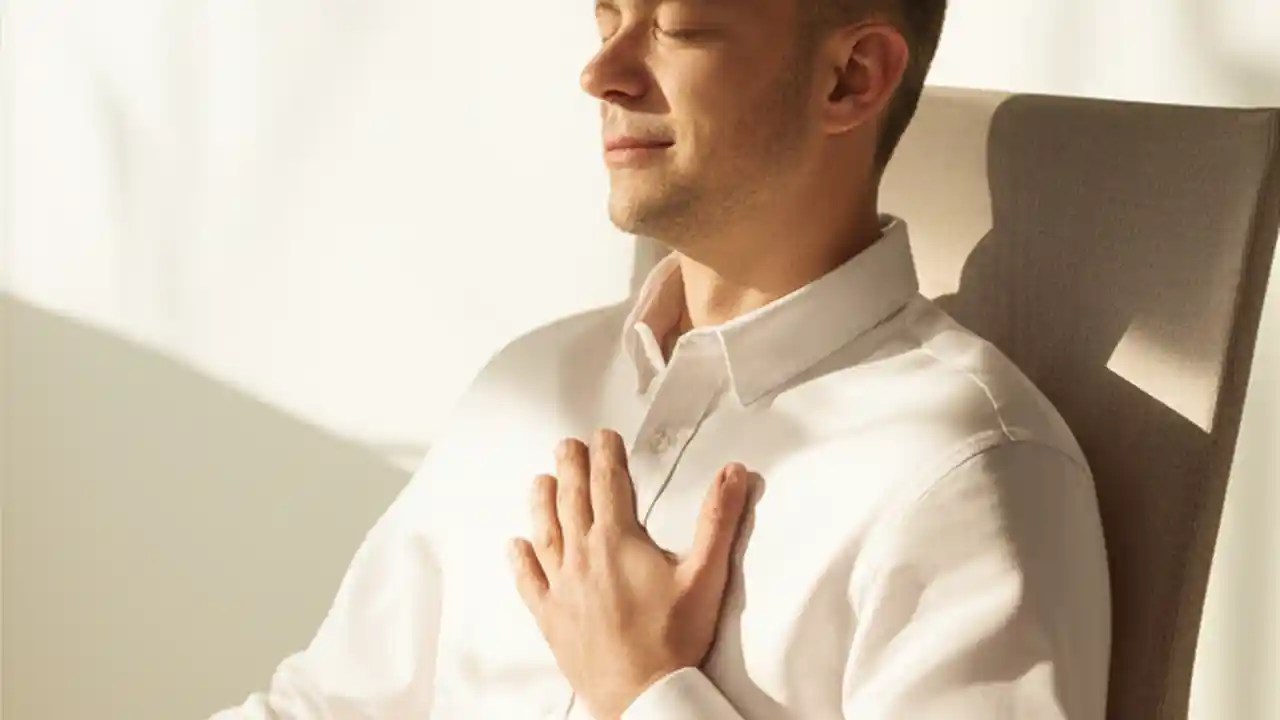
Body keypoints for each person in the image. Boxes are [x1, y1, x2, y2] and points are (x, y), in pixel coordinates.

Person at [214, 0, 1111, 717]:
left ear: (850, 76)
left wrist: (645, 691)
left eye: (674, 27)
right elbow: (329, 704)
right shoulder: (530, 388)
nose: (600, 73)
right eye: (606, 18)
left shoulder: (967, 471)